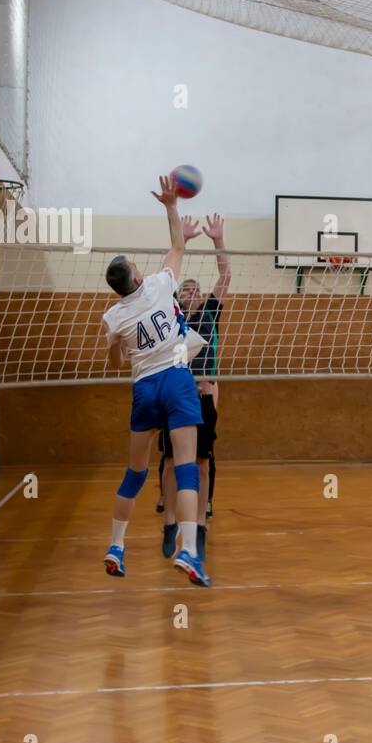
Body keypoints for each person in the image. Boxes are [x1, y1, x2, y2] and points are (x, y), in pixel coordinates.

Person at [101, 175, 211, 587]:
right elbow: (179, 246)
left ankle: (116, 546)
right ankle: (189, 552)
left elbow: (116, 363)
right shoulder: (161, 285)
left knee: (136, 473)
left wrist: (115, 343)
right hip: (177, 381)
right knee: (185, 470)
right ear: (136, 276)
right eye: (135, 265)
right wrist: (170, 206)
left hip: (144, 388)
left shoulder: (114, 317)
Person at [157, 214, 230, 561]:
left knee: (201, 463)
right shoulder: (170, 313)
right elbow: (164, 276)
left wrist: (218, 241)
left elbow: (225, 276)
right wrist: (180, 240)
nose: (191, 293)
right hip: (174, 394)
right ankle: (170, 524)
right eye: (186, 289)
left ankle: (199, 525)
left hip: (201, 396)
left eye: (196, 290)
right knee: (171, 463)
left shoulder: (210, 313)